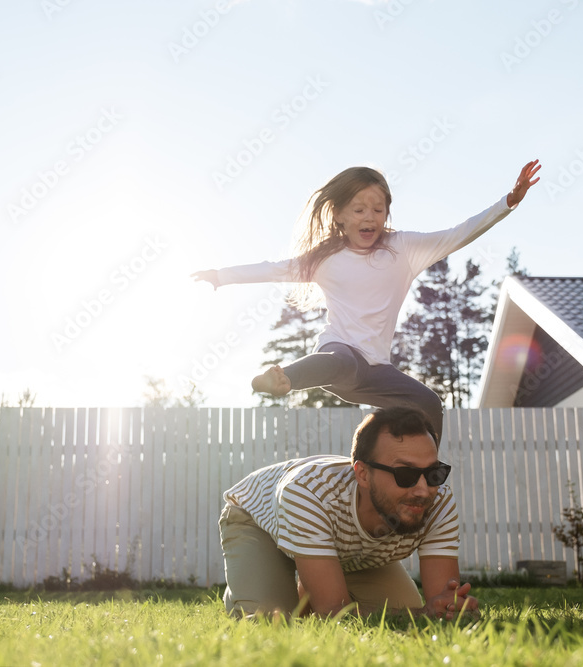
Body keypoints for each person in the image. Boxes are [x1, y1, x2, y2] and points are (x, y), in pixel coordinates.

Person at [193, 160, 540, 444]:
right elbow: (273, 270)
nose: (369, 217)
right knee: (342, 361)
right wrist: (221, 276)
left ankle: (425, 470)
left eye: (378, 209)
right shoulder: (325, 258)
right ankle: (284, 378)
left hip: (378, 371)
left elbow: (458, 234)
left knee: (429, 402)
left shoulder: (403, 249)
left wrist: (508, 202)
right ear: (339, 215)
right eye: (358, 209)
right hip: (339, 355)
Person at [218, 405, 479, 619]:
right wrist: (420, 614)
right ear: (363, 474)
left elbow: (443, 603)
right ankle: (246, 589)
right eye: (406, 473)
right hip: (257, 519)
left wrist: (450, 610)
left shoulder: (439, 500)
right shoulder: (309, 492)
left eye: (433, 473)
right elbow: (334, 612)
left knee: (404, 608)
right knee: (271, 620)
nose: (424, 490)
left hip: (348, 549)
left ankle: (312, 581)